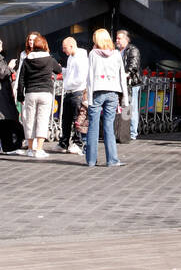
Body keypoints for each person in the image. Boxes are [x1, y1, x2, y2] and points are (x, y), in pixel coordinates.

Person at [85, 28, 128, 168]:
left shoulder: (92, 54)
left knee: (93, 125)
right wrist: (125, 98)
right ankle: (112, 160)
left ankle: (91, 160)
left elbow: (90, 76)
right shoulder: (116, 54)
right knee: (109, 125)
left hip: (97, 91)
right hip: (113, 92)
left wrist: (89, 96)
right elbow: (122, 76)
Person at [17, 32, 62, 157]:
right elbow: (58, 70)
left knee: (29, 120)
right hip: (45, 92)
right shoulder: (49, 59)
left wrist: (20, 95)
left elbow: (21, 79)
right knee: (42, 120)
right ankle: (39, 149)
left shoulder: (27, 60)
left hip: (30, 92)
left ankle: (30, 148)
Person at [58, 36, 89, 155]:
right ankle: (64, 142)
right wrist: (62, 70)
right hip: (70, 91)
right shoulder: (71, 57)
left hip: (77, 91)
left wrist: (68, 83)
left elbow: (81, 77)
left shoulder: (81, 57)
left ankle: (77, 143)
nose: (63, 50)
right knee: (66, 119)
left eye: (65, 48)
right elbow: (71, 73)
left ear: (72, 46)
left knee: (77, 119)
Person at [116, 29, 143, 140]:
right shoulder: (116, 51)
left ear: (126, 39)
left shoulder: (132, 50)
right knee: (122, 106)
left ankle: (132, 132)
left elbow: (133, 64)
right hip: (119, 82)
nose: (116, 40)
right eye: (116, 38)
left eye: (119, 38)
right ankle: (122, 130)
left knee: (131, 107)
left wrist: (127, 73)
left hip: (131, 83)